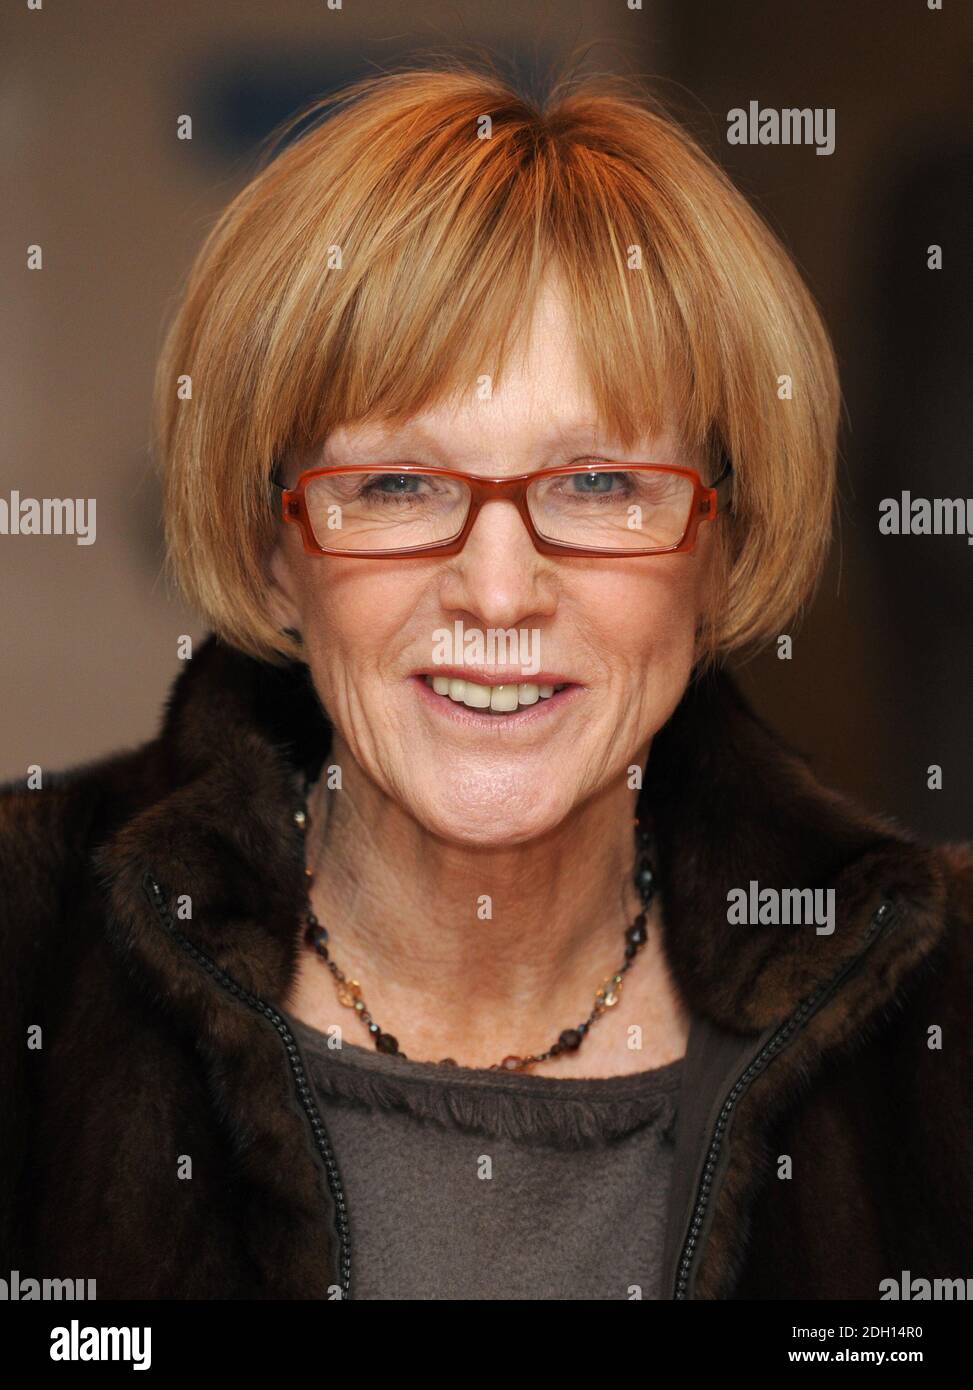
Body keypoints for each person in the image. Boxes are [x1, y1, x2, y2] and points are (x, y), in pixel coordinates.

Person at [1, 62, 970, 1301]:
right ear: (273, 548)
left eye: (600, 485)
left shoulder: (941, 1020)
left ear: (720, 546)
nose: (499, 590)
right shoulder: (27, 964)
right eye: (398, 486)